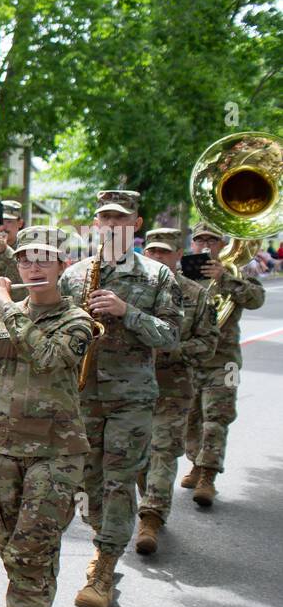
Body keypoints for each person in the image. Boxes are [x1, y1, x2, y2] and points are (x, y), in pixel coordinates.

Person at [0, 227, 94, 607]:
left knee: (29, 549)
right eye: (25, 260)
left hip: (55, 450)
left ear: (63, 266)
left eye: (44, 259)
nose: (34, 268)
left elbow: (46, 359)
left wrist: (1, 307)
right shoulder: (4, 315)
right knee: (12, 544)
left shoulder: (77, 320)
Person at [59, 189, 181, 607]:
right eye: (104, 219)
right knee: (89, 482)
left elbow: (171, 337)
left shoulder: (157, 276)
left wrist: (127, 311)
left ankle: (104, 565)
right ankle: (104, 541)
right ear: (96, 225)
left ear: (136, 225)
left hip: (131, 397)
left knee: (118, 478)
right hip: (83, 397)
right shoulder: (73, 275)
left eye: (120, 219)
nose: (111, 226)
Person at [136, 228, 218, 553]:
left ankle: (151, 518)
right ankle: (151, 500)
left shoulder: (197, 295)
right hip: (132, 386)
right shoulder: (130, 291)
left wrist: (171, 350)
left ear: (178, 256)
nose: (157, 258)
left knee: (163, 451)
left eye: (164, 253)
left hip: (174, 388)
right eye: (152, 252)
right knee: (138, 457)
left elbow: (209, 344)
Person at [181, 222, 266, 506]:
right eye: (199, 240)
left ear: (223, 243)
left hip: (224, 361)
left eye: (212, 240)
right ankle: (196, 462)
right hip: (191, 360)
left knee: (217, 417)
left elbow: (256, 299)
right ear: (192, 244)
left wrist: (225, 279)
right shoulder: (183, 273)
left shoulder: (236, 272)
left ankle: (208, 476)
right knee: (190, 420)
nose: (205, 245)